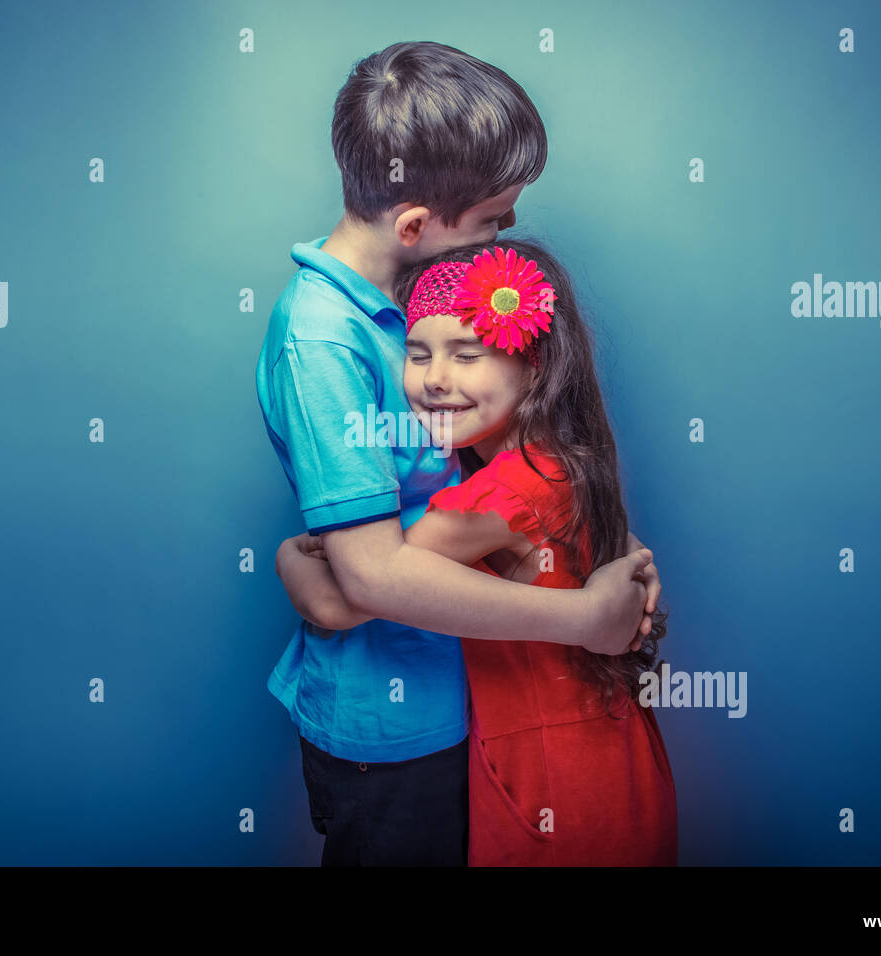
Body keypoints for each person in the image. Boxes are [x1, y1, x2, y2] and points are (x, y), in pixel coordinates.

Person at [255, 41, 658, 867]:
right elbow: (363, 583)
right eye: (492, 218)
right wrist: (585, 616)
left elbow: (489, 480)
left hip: (466, 700)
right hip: (392, 728)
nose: (503, 235)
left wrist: (598, 557)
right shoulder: (322, 340)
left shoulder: (415, 306)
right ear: (415, 226)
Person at [277, 239, 677, 865]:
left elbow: (347, 596)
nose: (436, 379)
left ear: (536, 367)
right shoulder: (561, 462)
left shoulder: (500, 495)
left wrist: (286, 556)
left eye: (468, 355)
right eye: (417, 354)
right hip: (611, 749)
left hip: (550, 771)